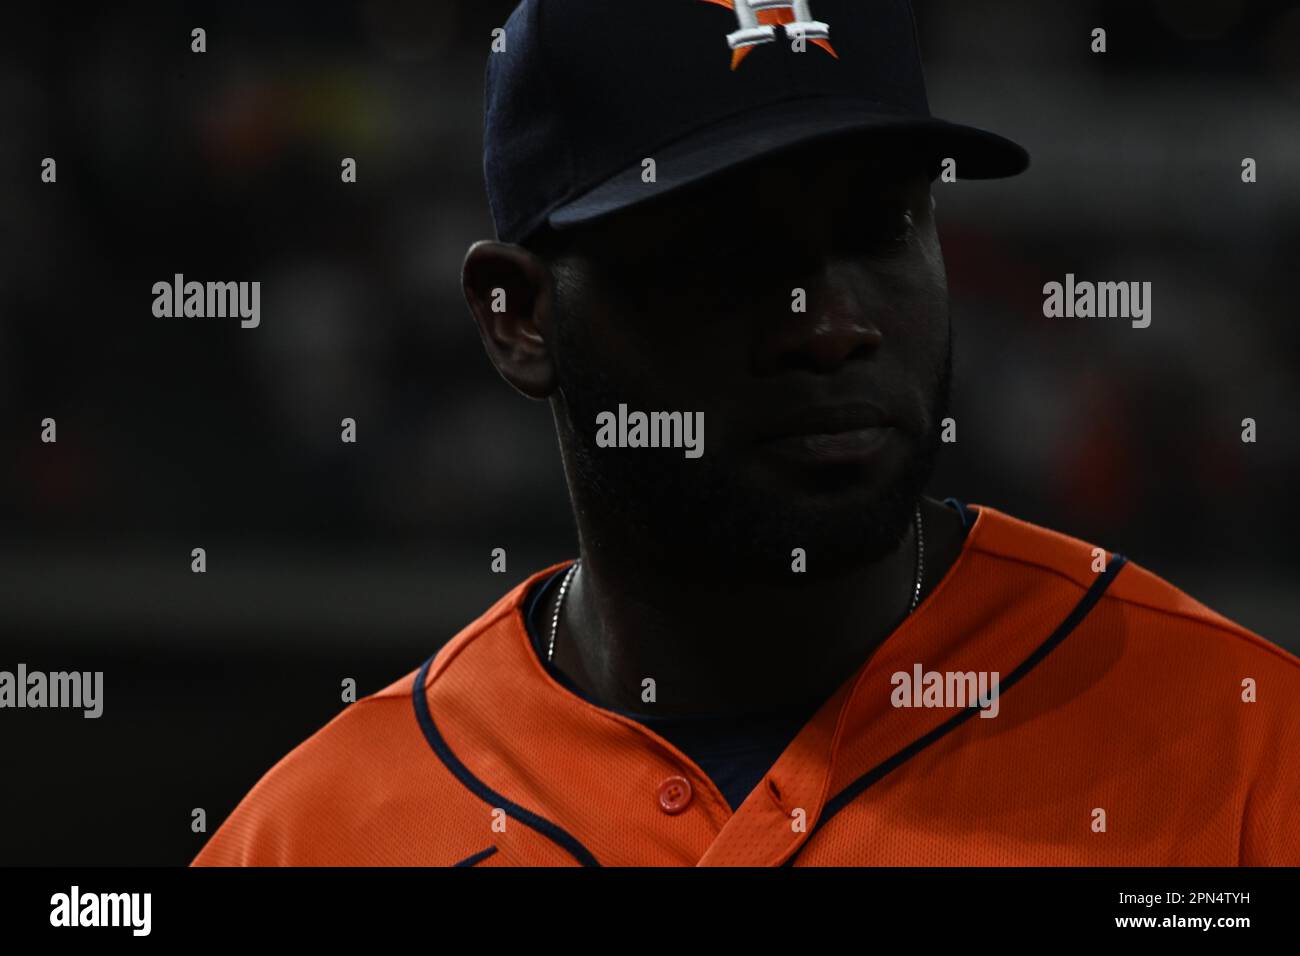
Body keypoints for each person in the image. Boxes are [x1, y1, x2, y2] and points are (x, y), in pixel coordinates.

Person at [192, 0, 1298, 867]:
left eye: (876, 228)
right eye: (724, 253)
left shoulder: (1249, 752)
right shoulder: (312, 837)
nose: (829, 324)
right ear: (518, 317)